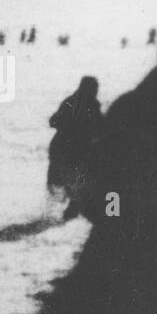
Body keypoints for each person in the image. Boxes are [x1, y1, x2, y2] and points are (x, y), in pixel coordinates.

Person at [47, 76, 102, 217]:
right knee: (76, 180)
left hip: (61, 148)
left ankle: (61, 210)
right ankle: (69, 209)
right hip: (74, 150)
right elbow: (99, 127)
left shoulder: (70, 101)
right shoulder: (92, 105)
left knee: (63, 181)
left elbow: (53, 121)